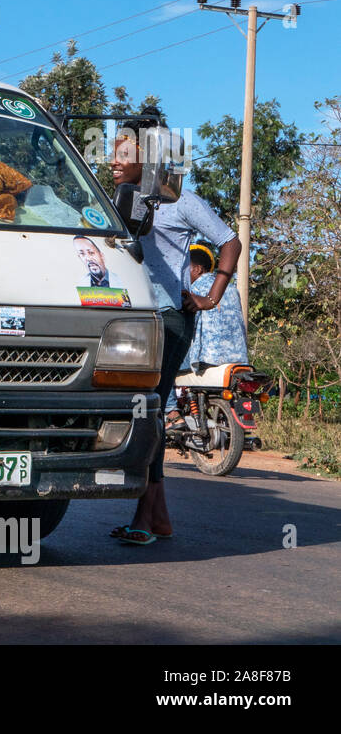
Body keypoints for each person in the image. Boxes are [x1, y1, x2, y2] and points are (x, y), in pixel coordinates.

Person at [108, 120, 240, 546]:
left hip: (169, 318)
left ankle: (143, 518)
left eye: (124, 154)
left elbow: (230, 241)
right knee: (141, 410)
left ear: (146, 161)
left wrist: (210, 297)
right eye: (113, 152)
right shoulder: (117, 199)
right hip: (131, 318)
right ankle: (159, 518)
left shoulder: (181, 200)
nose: (114, 160)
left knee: (149, 413)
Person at [164, 243, 249, 419]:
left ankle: (171, 412)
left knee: (163, 363)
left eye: (185, 270)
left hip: (206, 357)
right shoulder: (231, 288)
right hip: (238, 357)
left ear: (197, 269)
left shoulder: (193, 291)